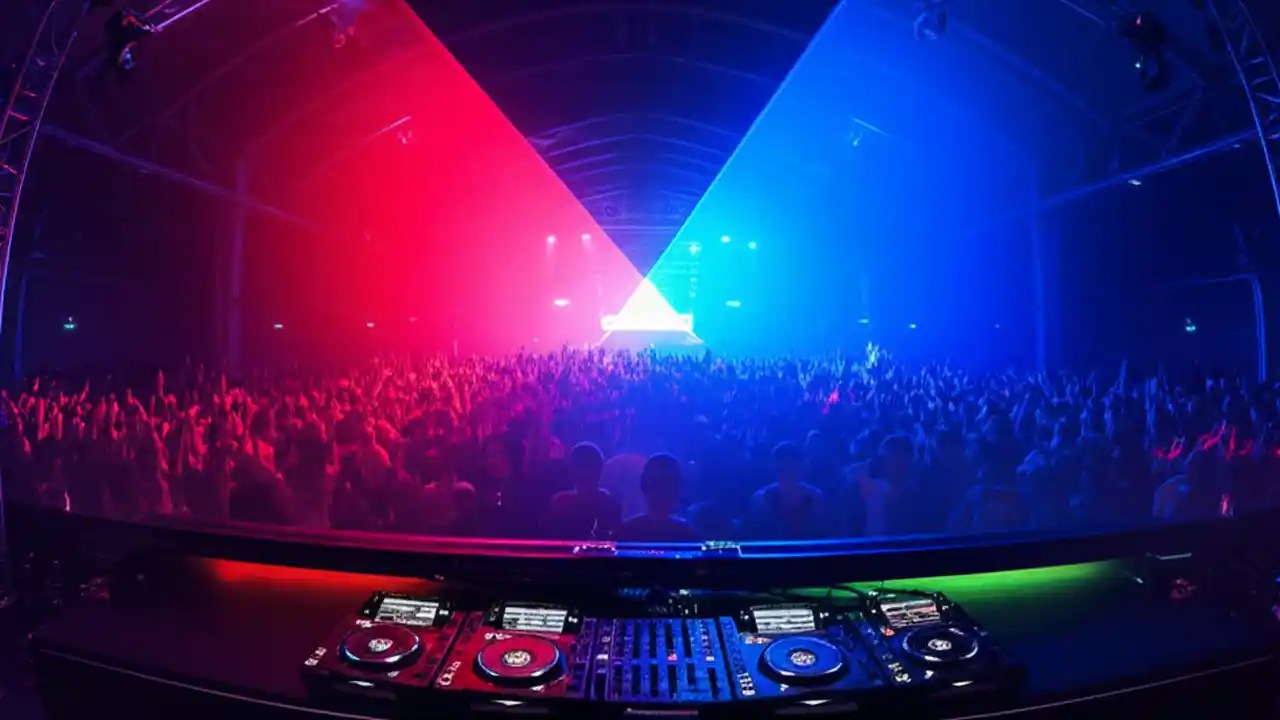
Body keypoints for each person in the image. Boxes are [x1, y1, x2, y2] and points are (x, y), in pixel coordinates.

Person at [744, 442, 827, 540]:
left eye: (792, 464)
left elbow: (823, 534)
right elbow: (753, 536)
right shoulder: (760, 500)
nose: (788, 470)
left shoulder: (815, 498)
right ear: (774, 466)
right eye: (783, 465)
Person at [541, 442, 622, 539]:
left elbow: (546, 539)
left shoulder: (560, 503)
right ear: (600, 469)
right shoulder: (610, 503)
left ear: (572, 468)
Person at [614, 453, 700, 542]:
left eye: (667, 482)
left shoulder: (625, 532)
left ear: (643, 485)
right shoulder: (688, 536)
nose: (663, 489)